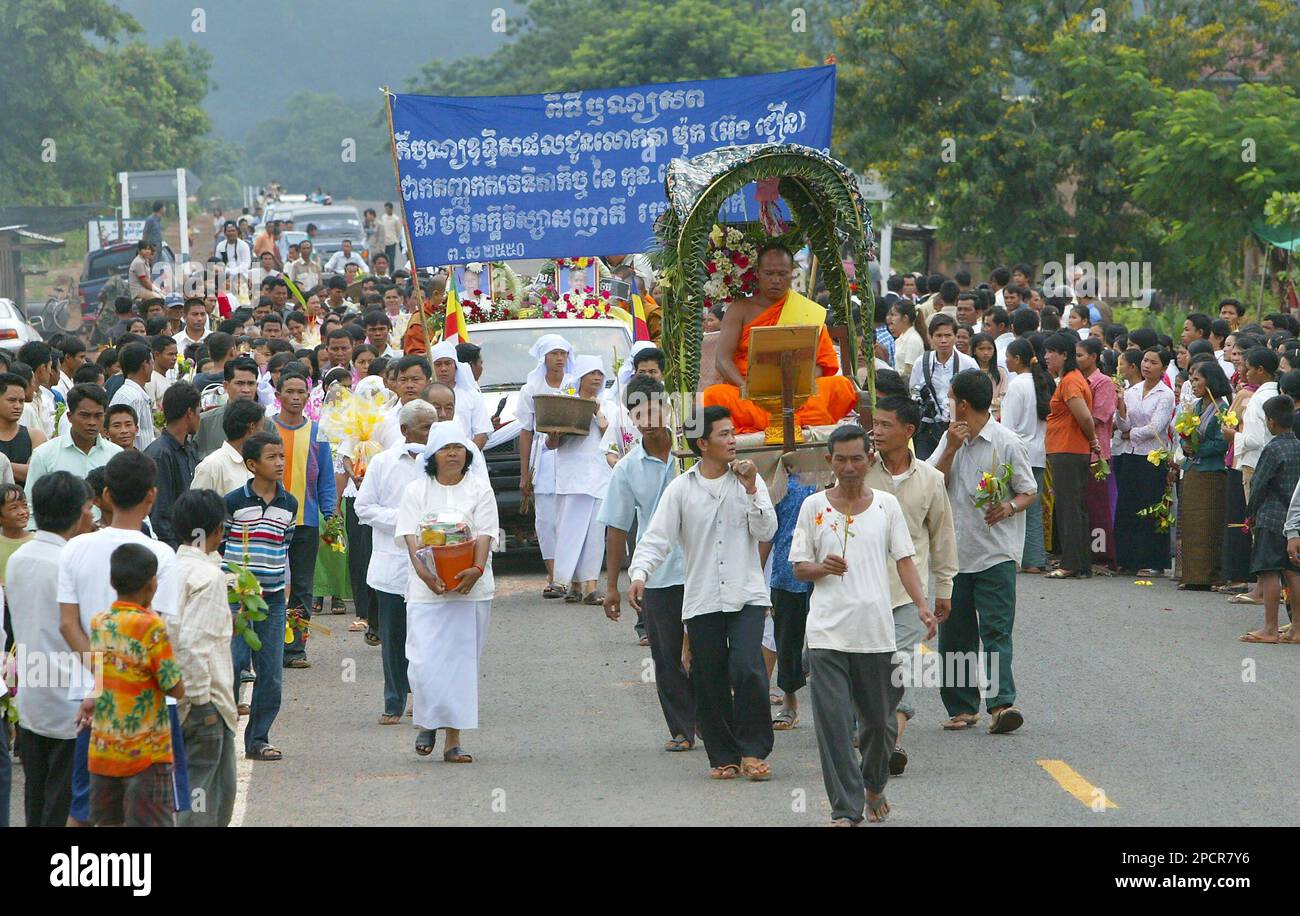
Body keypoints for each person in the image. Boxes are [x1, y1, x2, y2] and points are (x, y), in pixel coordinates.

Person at [791, 425, 934, 825]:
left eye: (857, 458)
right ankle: (845, 810)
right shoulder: (813, 507)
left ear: (870, 459)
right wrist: (822, 568)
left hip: (876, 635)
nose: (850, 467)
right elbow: (799, 567)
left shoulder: (887, 506)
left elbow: (905, 559)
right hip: (826, 635)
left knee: (881, 726)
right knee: (834, 728)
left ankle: (874, 785)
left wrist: (922, 606)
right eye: (841, 459)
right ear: (829, 462)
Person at [627, 406, 777, 781]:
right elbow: (657, 538)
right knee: (708, 677)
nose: (733, 441)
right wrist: (639, 574)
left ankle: (754, 751)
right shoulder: (681, 489)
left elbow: (765, 529)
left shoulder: (746, 482)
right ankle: (722, 756)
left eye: (733, 434)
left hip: (746, 595)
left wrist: (753, 488)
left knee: (748, 669)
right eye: (724, 435)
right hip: (702, 597)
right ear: (703, 443)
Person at [57, 450, 181, 826]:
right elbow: (153, 631)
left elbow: (67, 624)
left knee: (86, 809)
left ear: (105, 495)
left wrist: (102, 673)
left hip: (88, 700)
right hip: (148, 710)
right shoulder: (160, 553)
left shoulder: (75, 548)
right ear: (152, 495)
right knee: (153, 811)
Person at [928, 370, 1036, 733]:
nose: (949, 407)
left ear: (962, 404)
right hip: (955, 554)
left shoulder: (1006, 442)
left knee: (995, 630)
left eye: (951, 401)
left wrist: (1009, 507)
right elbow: (930, 485)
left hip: (996, 553)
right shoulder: (949, 440)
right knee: (955, 635)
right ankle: (962, 706)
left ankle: (1001, 704)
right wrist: (951, 449)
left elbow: (1028, 490)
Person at [599, 376, 694, 750]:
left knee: (706, 647)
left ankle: (709, 718)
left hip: (702, 565)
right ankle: (681, 729)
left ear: (668, 408)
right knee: (666, 652)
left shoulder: (692, 450)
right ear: (631, 417)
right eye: (640, 411)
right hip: (657, 572)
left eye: (655, 407)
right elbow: (617, 528)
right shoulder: (626, 469)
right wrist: (611, 587)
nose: (649, 417)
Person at [864, 396, 958, 776]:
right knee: (869, 671)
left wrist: (944, 589)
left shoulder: (932, 480)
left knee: (899, 666)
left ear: (909, 431)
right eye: (875, 424)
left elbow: (942, 537)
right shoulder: (860, 473)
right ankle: (874, 730)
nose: (878, 432)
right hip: (862, 593)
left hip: (908, 595)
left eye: (886, 425)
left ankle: (892, 742)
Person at [395, 423, 499, 763]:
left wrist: (477, 569)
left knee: (460, 663)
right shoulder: (415, 491)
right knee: (423, 662)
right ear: (432, 455)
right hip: (427, 590)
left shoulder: (480, 488)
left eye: (458, 447)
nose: (453, 453)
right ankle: (428, 719)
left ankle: (453, 740)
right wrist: (426, 575)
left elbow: (485, 534)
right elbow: (411, 539)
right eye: (445, 448)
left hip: (471, 588)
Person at [7, 471, 94, 826]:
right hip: (70, 702)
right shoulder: (71, 563)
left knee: (36, 799)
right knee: (63, 806)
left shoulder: (19, 558)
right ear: (76, 513)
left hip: (32, 698)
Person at [80, 544, 184, 827]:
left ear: (113, 582)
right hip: (145, 755)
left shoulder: (99, 623)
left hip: (103, 751)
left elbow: (105, 676)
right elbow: (173, 686)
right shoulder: (151, 626)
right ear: (152, 584)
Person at [702, 244, 858, 434]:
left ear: (792, 273)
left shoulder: (806, 311)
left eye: (782, 274)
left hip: (798, 392)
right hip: (751, 393)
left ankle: (778, 418)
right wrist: (747, 389)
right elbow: (722, 360)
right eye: (769, 273)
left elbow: (821, 363)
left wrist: (799, 387)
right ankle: (791, 420)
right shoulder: (740, 309)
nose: (775, 280)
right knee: (715, 395)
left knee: (841, 386)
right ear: (758, 273)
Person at [356, 400, 436, 724]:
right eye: (426, 427)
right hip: (393, 565)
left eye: (435, 426)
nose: (432, 433)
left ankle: (426, 698)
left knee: (428, 635)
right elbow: (363, 508)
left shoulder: (442, 462)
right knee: (393, 637)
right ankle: (394, 701)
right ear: (405, 430)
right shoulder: (383, 463)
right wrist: (405, 521)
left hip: (432, 564)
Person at [223, 432, 295, 760]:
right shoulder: (233, 502)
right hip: (236, 596)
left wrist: (286, 591)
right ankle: (222, 734)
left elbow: (285, 549)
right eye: (271, 457)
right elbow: (220, 545)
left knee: (272, 674)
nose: (279, 462)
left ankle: (258, 738)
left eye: (281, 456)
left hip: (273, 598)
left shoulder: (289, 504)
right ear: (252, 465)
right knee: (235, 662)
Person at [169, 489, 238, 826]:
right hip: (205, 702)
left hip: (174, 698)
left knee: (198, 792)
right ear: (216, 530)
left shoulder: (167, 568)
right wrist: (197, 704)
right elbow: (192, 644)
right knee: (204, 800)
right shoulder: (209, 578)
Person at [272, 371, 336, 668]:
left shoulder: (317, 432)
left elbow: (325, 480)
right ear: (278, 394)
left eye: (301, 392)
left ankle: (296, 648)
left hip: (305, 522)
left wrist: (330, 516)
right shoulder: (267, 429)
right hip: (270, 521)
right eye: (290, 392)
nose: (296, 398)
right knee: (270, 583)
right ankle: (270, 646)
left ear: (308, 397)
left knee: (302, 586)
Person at [548, 355, 611, 604]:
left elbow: (614, 435)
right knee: (569, 530)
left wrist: (597, 412)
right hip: (571, 476)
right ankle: (568, 582)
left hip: (598, 476)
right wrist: (554, 435)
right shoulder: (567, 403)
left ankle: (590, 586)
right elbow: (551, 443)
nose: (596, 377)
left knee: (595, 532)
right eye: (591, 373)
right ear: (581, 377)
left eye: (600, 373)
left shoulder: (609, 405)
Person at [516, 334, 574, 598]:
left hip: (572, 456)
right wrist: (524, 473)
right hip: (544, 459)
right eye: (554, 354)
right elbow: (526, 432)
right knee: (546, 521)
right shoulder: (531, 389)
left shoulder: (575, 385)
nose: (559, 358)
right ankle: (554, 576)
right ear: (544, 358)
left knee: (570, 520)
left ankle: (572, 576)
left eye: (563, 353)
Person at [1240, 396, 1300, 643]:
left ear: (1272, 423)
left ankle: (1270, 628)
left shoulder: (1273, 448)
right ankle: (1297, 627)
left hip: (1272, 516)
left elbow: (1259, 484)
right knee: (1293, 572)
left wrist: (1250, 513)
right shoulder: (1298, 445)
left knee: (1268, 572)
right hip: (1294, 518)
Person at [1113, 347, 1175, 575]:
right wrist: (1120, 406)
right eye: (1145, 361)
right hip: (1131, 454)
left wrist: (1132, 434)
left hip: (1153, 457)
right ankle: (1127, 558)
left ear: (1164, 368)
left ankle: (1152, 560)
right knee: (1128, 506)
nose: (1147, 365)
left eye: (1153, 362)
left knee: (1150, 506)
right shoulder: (1132, 391)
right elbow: (1123, 424)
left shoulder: (1165, 394)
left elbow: (1156, 427)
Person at [1043, 333, 1098, 579]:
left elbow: (1084, 416)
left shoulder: (1070, 381)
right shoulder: (1071, 379)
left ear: (1064, 355)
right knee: (1075, 506)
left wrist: (1093, 440)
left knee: (1069, 507)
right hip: (1068, 449)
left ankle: (1070, 564)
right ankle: (1080, 562)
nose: (1046, 357)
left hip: (1068, 449)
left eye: (1051, 352)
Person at [1177, 360, 1233, 589]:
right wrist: (1185, 444)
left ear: (1211, 381)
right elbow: (1183, 431)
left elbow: (1221, 444)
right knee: (1191, 525)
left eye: (1197, 379)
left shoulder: (1222, 409)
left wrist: (1197, 448)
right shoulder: (1195, 406)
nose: (1193, 383)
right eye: (1192, 379)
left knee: (1208, 524)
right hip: (1193, 470)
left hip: (1211, 473)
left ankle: (1208, 575)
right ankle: (1191, 575)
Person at [1001, 338, 1052, 573]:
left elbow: (1008, 428)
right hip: (1038, 452)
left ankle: (1016, 556)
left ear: (1017, 359)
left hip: (1018, 452)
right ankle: (1035, 558)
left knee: (1015, 506)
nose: (1005, 360)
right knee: (1034, 507)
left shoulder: (1016, 386)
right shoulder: (1039, 382)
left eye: (1008, 356)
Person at [25, 385, 120, 506]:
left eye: (98, 416)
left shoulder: (116, 455)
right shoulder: (44, 455)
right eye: (85, 415)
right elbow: (31, 505)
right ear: (70, 417)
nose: (92, 422)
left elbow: (128, 502)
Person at [911, 314, 979, 458]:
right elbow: (913, 393)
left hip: (959, 427)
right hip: (928, 427)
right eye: (939, 335)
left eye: (948, 335)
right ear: (930, 337)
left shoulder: (968, 363)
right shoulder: (921, 363)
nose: (943, 340)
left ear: (955, 337)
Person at [1077, 337, 1118, 570]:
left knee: (1098, 507)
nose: (1077, 359)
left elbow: (1096, 418)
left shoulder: (1103, 383)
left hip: (1096, 453)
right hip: (1076, 450)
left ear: (1094, 357)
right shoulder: (1074, 380)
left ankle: (1102, 558)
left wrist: (1073, 422)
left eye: (1081, 355)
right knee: (1079, 505)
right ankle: (1081, 553)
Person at [194, 357, 269, 460]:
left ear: (257, 386)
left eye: (251, 384)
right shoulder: (203, 423)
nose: (246, 390)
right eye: (239, 383)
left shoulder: (268, 425)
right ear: (226, 386)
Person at [428, 338, 491, 449]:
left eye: (448, 363)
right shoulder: (425, 396)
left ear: (456, 366)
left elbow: (481, 434)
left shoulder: (471, 395)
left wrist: (465, 458)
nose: (443, 368)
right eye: (438, 364)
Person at [0, 371, 46, 484]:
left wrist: (3, 465)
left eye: (21, 401)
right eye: (11, 400)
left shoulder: (35, 436)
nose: (18, 406)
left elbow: (37, 472)